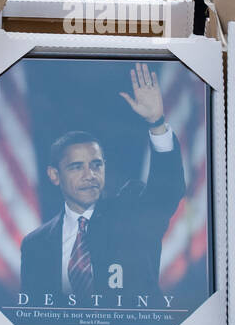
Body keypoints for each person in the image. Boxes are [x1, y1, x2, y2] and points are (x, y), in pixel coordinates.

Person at [20, 63, 186, 301]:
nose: (90, 174)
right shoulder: (35, 246)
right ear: (54, 175)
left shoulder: (133, 216)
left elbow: (166, 191)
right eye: (77, 167)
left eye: (96, 165)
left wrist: (157, 123)